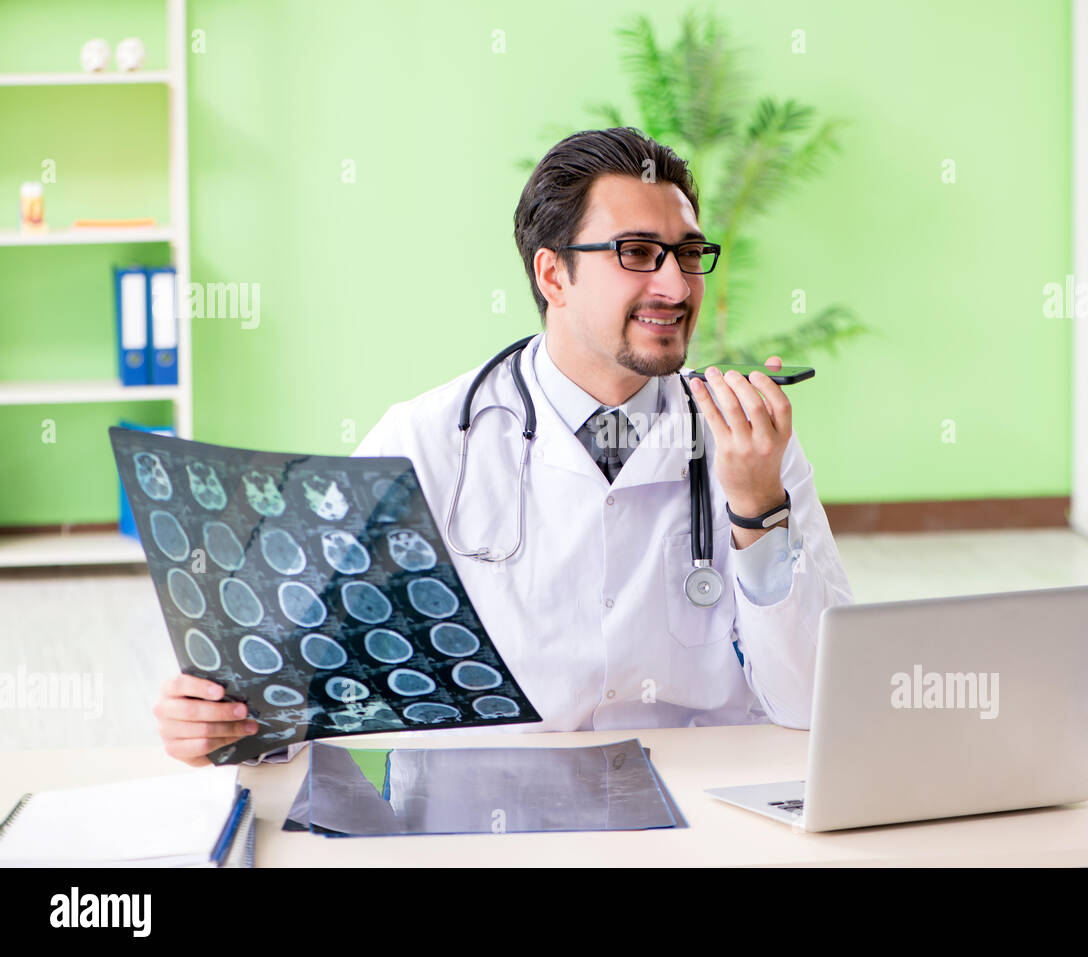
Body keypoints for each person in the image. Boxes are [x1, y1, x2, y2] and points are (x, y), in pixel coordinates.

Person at [153, 127, 854, 768]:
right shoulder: (425, 439)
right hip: (495, 802)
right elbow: (289, 663)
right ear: (553, 275)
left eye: (689, 253)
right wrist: (215, 720)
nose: (675, 284)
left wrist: (758, 505)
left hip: (699, 799)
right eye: (637, 253)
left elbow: (816, 701)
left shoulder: (749, 442)